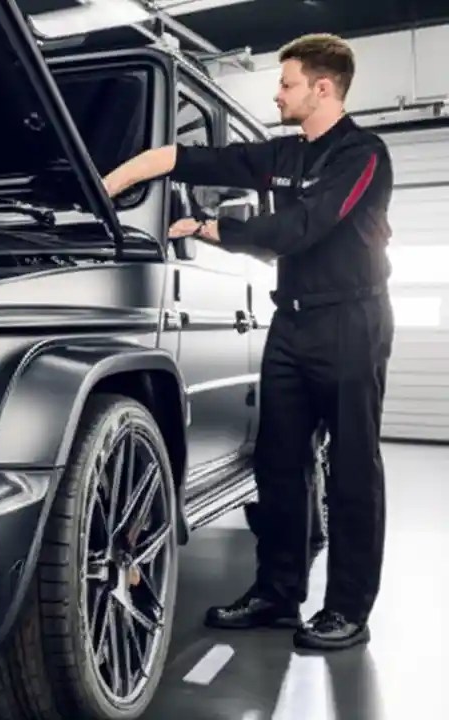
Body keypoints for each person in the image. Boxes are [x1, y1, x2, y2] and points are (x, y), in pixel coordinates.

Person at [101, 33, 394, 652]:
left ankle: (347, 611)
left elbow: (300, 228)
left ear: (322, 88)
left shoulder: (363, 155)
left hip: (352, 325)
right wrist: (104, 187)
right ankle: (276, 595)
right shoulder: (283, 154)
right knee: (277, 464)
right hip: (290, 324)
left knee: (351, 473)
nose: (276, 93)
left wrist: (214, 229)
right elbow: (187, 160)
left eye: (286, 83)